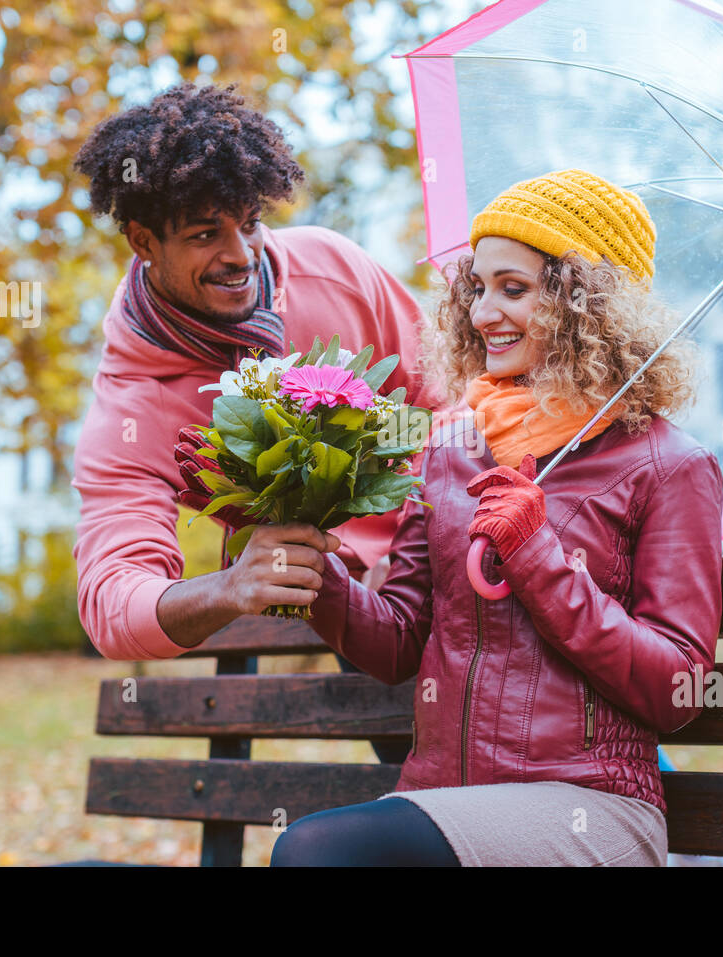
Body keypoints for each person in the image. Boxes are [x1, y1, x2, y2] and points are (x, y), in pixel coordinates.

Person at [269, 169, 723, 866]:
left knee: (315, 852)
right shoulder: (453, 446)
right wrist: (316, 570)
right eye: (478, 288)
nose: (483, 314)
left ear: (583, 301)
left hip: (589, 805)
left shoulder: (666, 463)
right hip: (441, 798)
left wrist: (538, 557)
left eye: (514, 288)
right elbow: (399, 642)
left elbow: (677, 686)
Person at [69, 81, 437, 764]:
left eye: (249, 221)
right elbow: (112, 598)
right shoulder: (135, 402)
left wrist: (412, 547)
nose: (241, 254)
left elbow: (454, 404)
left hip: (451, 564)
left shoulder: (334, 271)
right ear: (144, 240)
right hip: (366, 632)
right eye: (206, 234)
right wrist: (228, 588)